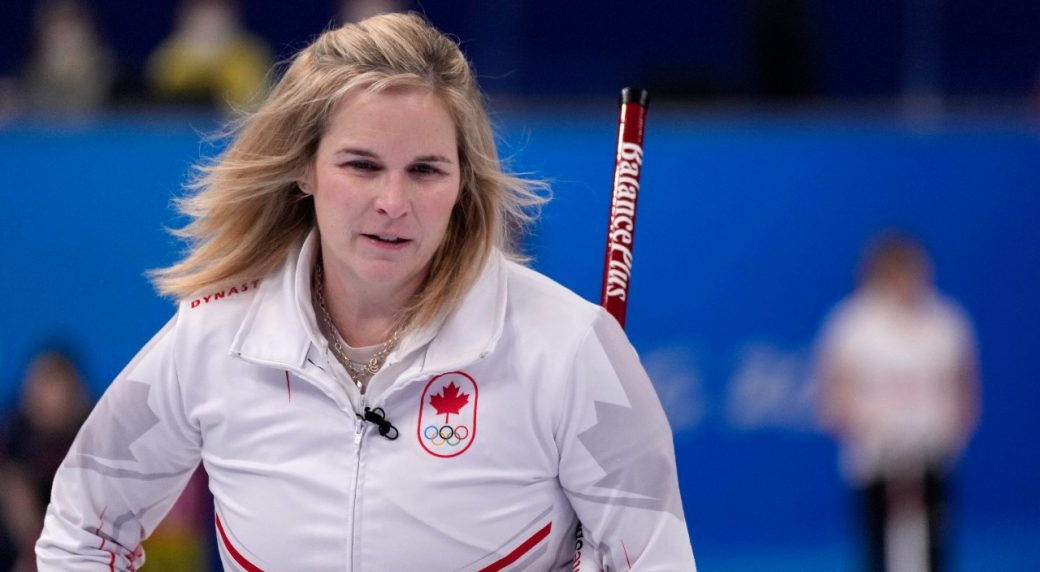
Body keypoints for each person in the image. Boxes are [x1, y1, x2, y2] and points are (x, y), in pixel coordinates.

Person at [37, 13, 696, 570]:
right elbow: (81, 525)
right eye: (361, 165)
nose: (393, 202)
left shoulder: (569, 349)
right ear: (304, 166)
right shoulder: (214, 336)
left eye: (426, 171)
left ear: (463, 181)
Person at [816, 231, 979, 572]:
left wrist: (950, 434)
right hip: (874, 460)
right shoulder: (852, 325)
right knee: (876, 552)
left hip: (933, 456)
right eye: (899, 271)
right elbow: (833, 391)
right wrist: (865, 426)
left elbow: (964, 386)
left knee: (936, 549)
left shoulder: (946, 321)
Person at [1, 348, 92, 571]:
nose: (51, 397)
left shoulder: (97, 443)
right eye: (43, 384)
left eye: (58, 385)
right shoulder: (11, 439)